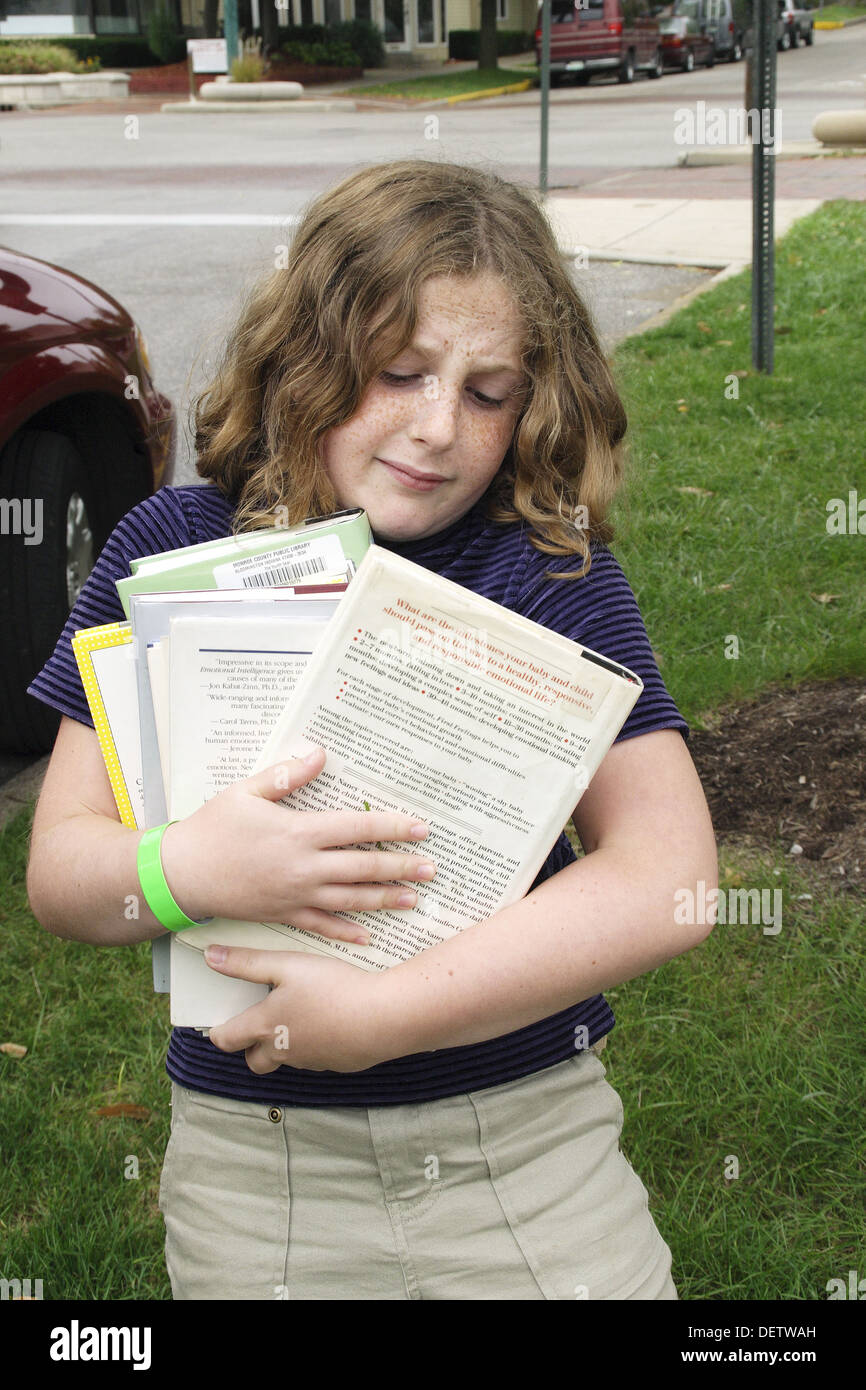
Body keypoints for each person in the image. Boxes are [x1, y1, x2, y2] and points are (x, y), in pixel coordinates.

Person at [26, 158, 718, 1301]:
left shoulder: (545, 565)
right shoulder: (167, 546)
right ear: (302, 353)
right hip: (259, 1165)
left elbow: (668, 873)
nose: (438, 428)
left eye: (489, 392)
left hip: (523, 1146)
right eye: (397, 371)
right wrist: (188, 865)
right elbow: (61, 870)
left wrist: (387, 1014)